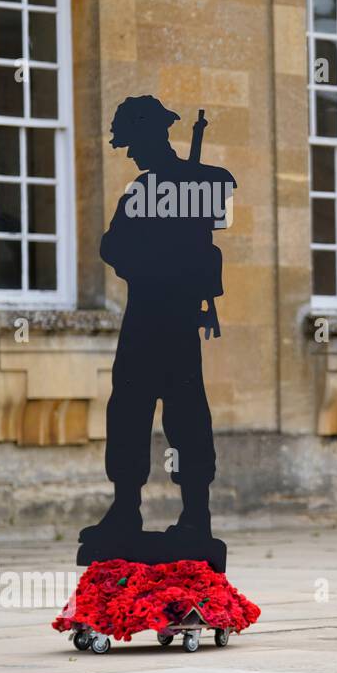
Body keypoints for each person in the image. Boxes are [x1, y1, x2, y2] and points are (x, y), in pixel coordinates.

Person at [80, 95, 234, 569]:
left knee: (180, 413)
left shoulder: (187, 183)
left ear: (151, 137)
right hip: (155, 311)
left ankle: (194, 515)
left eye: (132, 144)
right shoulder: (145, 190)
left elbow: (220, 207)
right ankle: (129, 509)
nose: (130, 155)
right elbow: (112, 248)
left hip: (164, 316)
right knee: (131, 408)